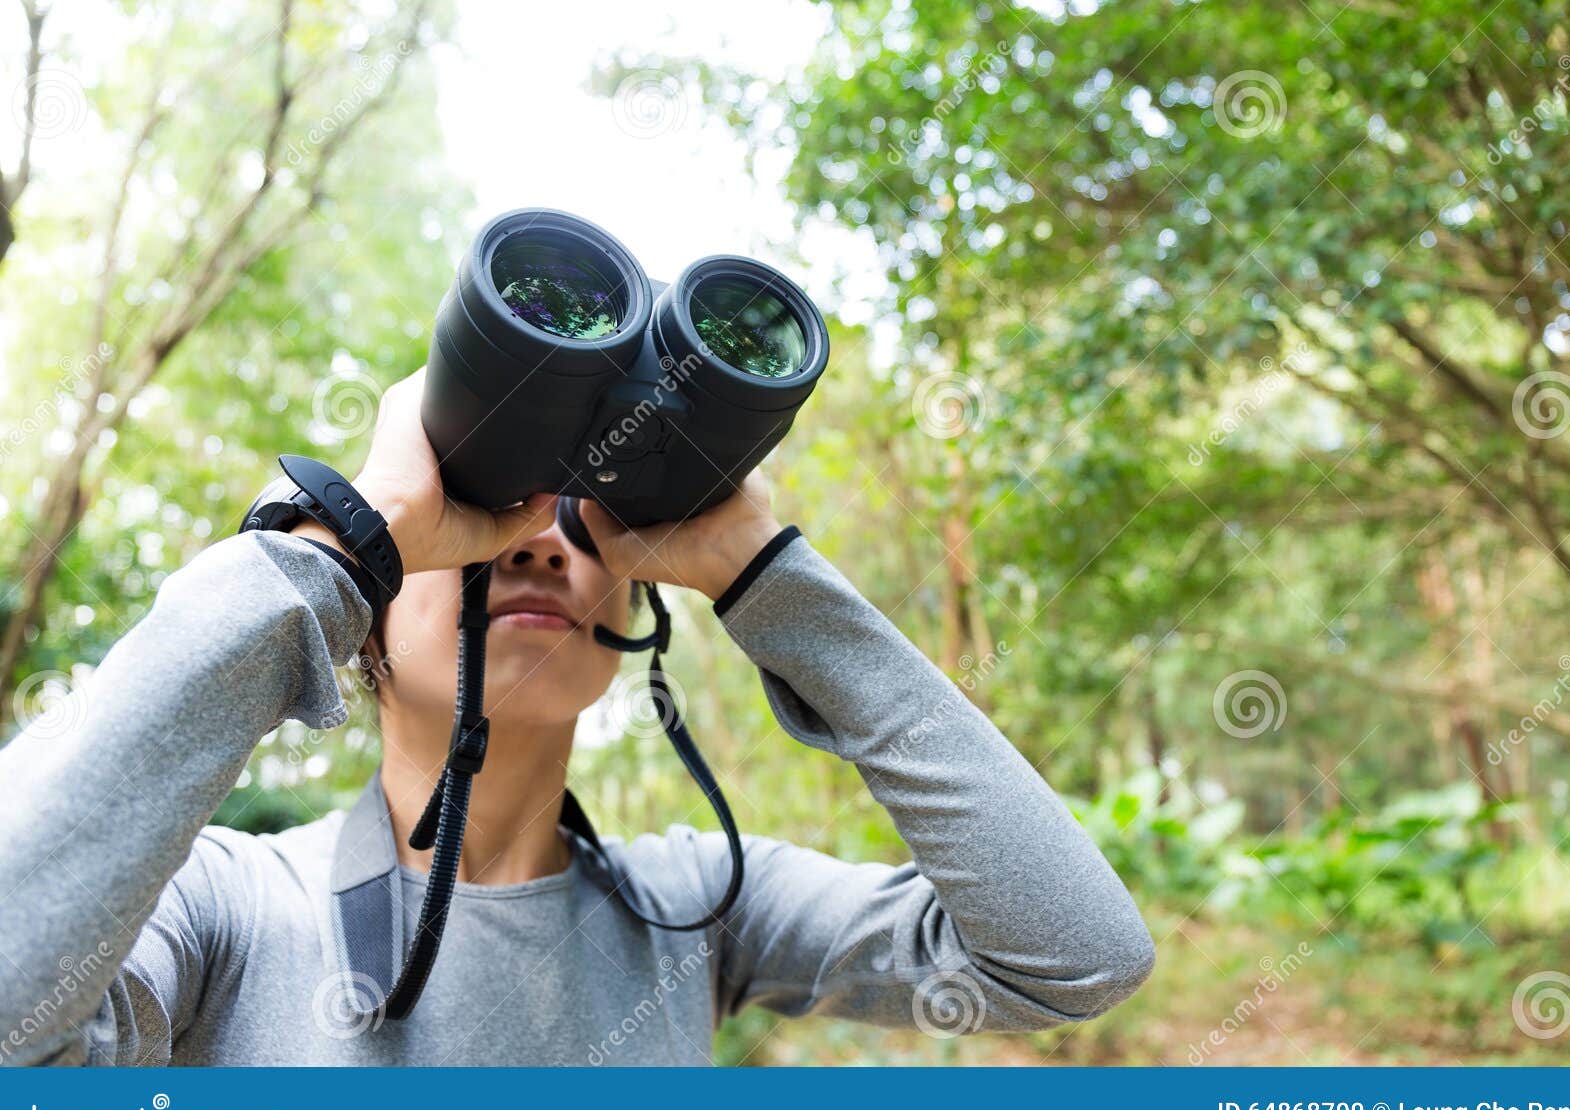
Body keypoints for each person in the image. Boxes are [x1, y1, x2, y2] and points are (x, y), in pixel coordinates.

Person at [0, 371, 1154, 1066]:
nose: (543, 543)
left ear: (633, 619)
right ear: (364, 616)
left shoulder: (698, 906)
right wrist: (340, 542)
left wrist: (766, 575)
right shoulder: (229, 907)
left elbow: (1073, 957)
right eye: (489, 520)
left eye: (582, 528)